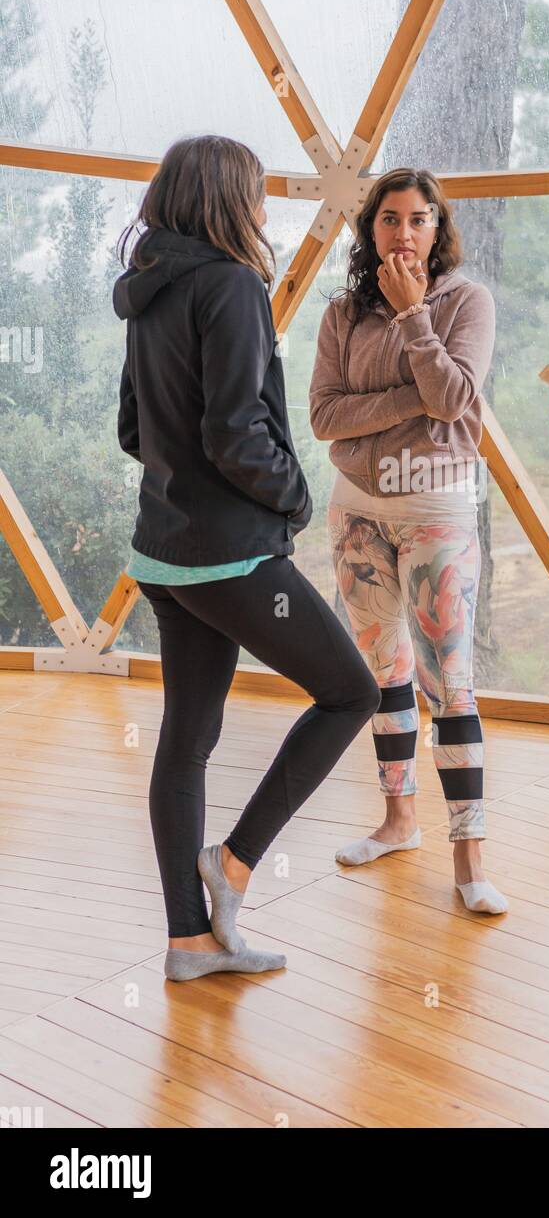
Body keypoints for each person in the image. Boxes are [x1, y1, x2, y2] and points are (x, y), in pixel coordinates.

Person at [114, 134, 380, 982]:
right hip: (229, 558)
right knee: (350, 692)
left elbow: (133, 428)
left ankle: (190, 943)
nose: (267, 210)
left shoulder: (150, 292)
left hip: (164, 553)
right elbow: (236, 432)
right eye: (259, 193)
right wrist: (294, 500)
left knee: (187, 739)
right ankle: (230, 866)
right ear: (229, 199)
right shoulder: (230, 284)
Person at [309, 167, 507, 914]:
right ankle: (398, 820)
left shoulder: (467, 303)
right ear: (371, 230)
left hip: (437, 513)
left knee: (449, 684)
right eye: (389, 219)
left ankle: (470, 858)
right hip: (355, 513)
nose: (403, 232)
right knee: (383, 676)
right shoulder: (340, 313)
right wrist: (411, 400)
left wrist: (415, 316)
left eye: (418, 219)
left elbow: (456, 397)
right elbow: (326, 416)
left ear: (437, 227)